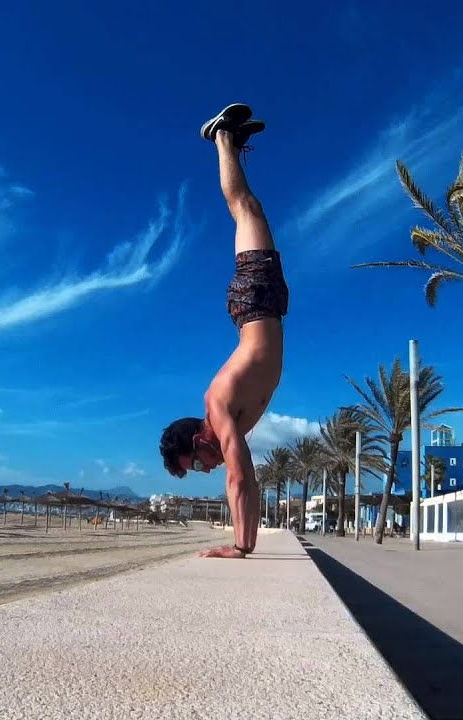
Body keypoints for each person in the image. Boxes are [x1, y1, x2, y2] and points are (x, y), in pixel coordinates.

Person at [157, 102, 288, 559]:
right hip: (263, 308)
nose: (204, 470)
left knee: (244, 207)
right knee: (250, 209)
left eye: (195, 465)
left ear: (197, 442)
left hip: (254, 304)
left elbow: (237, 477)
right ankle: (228, 140)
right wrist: (246, 545)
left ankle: (220, 137)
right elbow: (246, 476)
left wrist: (238, 547)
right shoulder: (224, 420)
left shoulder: (217, 407)